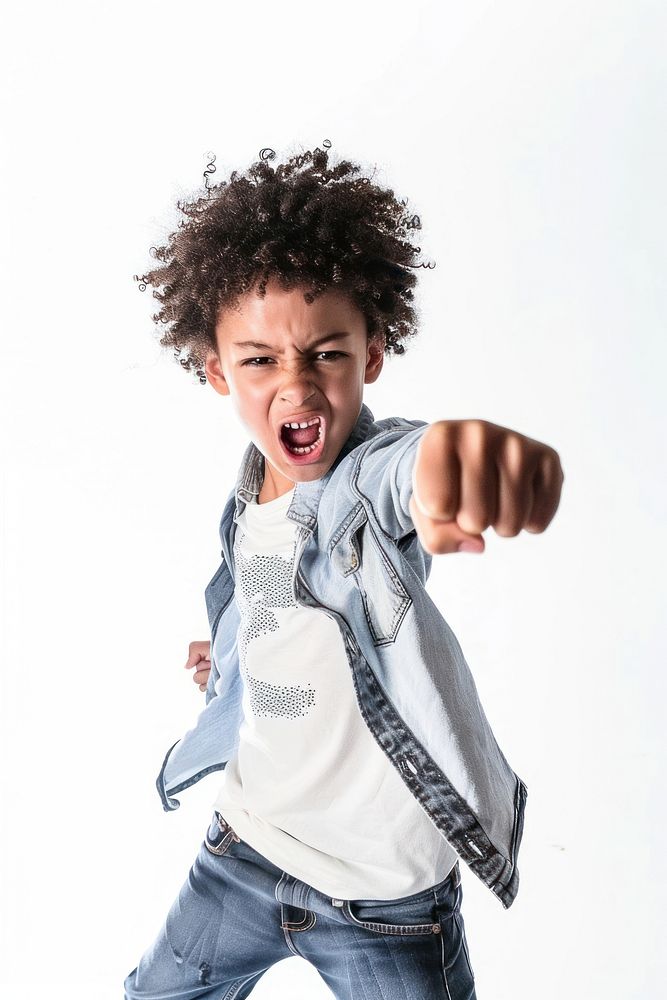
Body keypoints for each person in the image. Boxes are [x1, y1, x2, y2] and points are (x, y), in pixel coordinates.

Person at [124, 142, 564, 1000]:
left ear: (372, 354)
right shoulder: (246, 496)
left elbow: (407, 471)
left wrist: (455, 461)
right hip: (244, 849)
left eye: (327, 353)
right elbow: (273, 608)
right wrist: (230, 659)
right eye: (258, 360)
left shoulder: (365, 484)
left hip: (384, 899)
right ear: (215, 370)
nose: (297, 386)